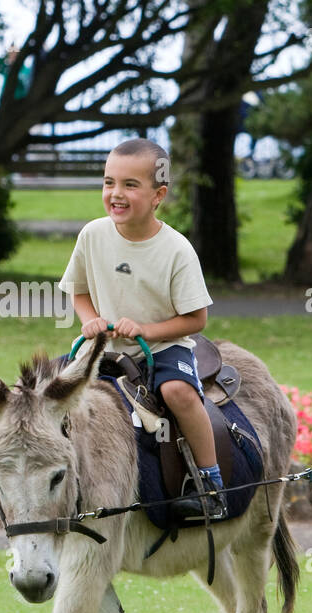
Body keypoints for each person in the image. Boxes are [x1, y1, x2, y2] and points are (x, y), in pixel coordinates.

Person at [59, 138, 221, 518]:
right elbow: (78, 291)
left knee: (178, 392)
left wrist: (147, 329)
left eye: (130, 185)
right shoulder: (92, 235)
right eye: (108, 182)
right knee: (54, 394)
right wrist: (90, 320)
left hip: (164, 347)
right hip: (101, 347)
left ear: (158, 195)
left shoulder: (176, 250)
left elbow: (196, 320)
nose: (116, 193)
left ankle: (211, 483)